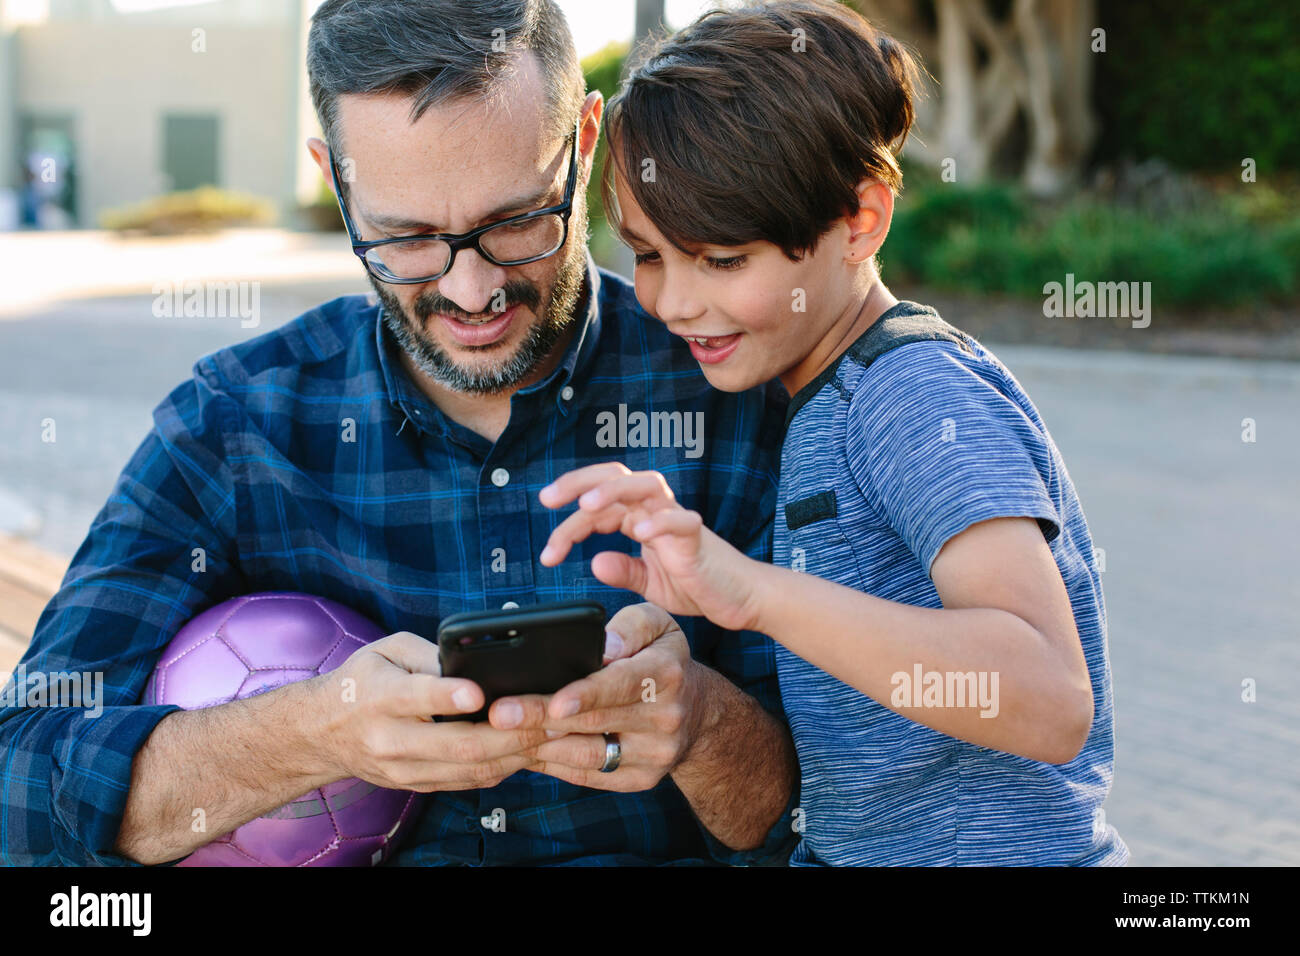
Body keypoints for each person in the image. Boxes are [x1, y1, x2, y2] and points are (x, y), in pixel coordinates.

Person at [0, 0, 798, 867]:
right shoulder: (236, 424)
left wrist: (704, 727)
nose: (470, 291)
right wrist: (310, 735)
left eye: (515, 222)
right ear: (335, 181)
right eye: (406, 237)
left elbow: (844, 813)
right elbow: (20, 783)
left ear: (586, 142)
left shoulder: (738, 396)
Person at [539, 0, 1129, 866]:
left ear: (860, 222)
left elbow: (1048, 696)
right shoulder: (819, 394)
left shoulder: (908, 394)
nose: (672, 301)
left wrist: (753, 594)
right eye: (650, 255)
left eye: (723, 260)